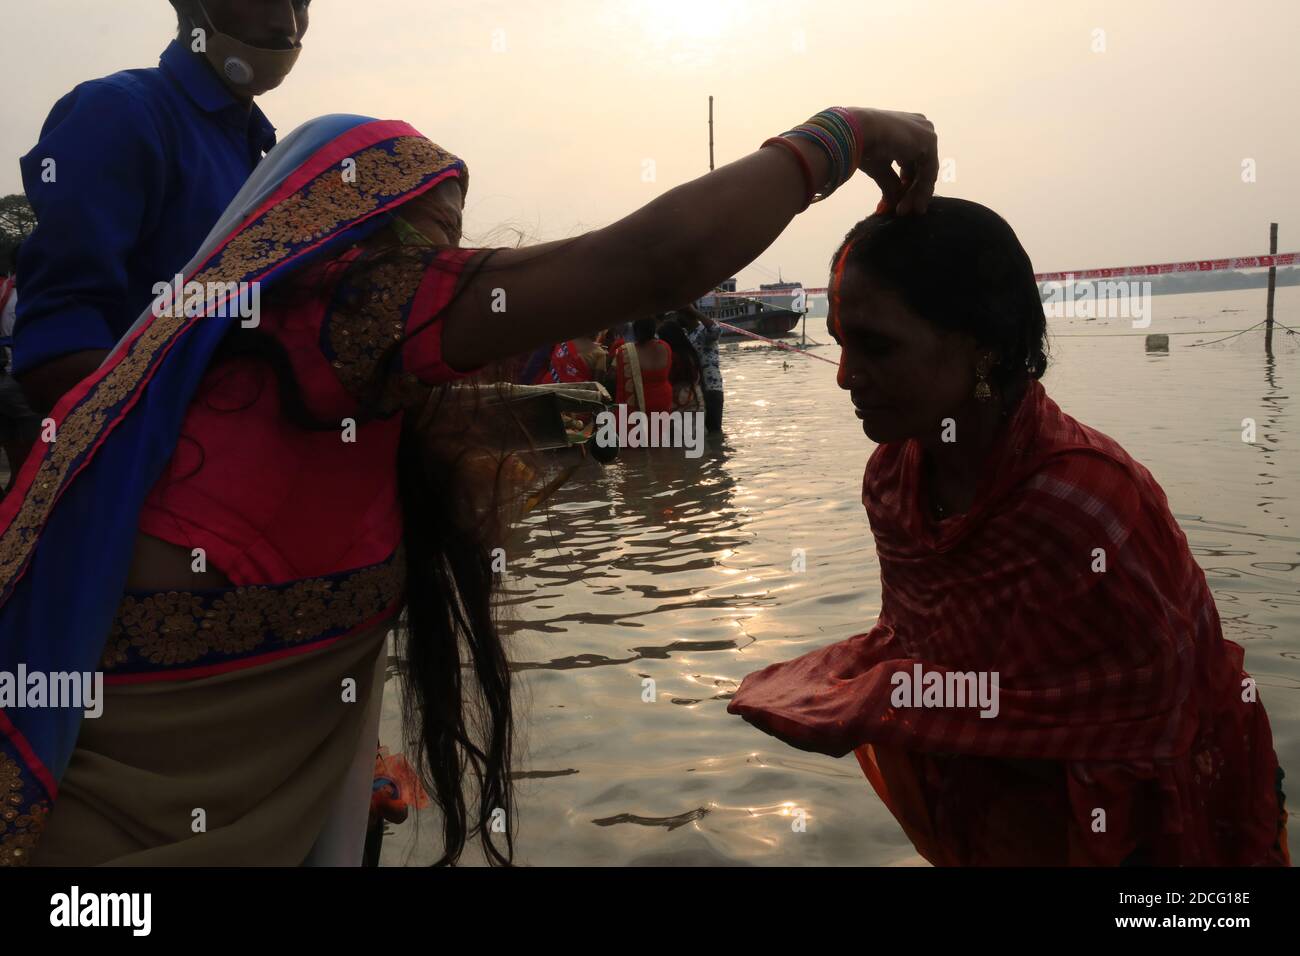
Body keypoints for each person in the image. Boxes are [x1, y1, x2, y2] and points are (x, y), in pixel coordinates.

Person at [0, 106, 938, 867]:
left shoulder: (288, 395)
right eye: (427, 251)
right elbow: (654, 259)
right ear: (332, 247)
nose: (443, 276)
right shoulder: (331, 313)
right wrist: (844, 135)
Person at [727, 198, 1289, 867]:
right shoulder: (892, 480)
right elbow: (922, 645)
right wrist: (842, 683)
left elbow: (1158, 714)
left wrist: (885, 697)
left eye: (877, 346)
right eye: (842, 343)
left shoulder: (1086, 504)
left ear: (982, 345)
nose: (846, 377)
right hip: (985, 813)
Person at [13, 0, 310, 416]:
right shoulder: (120, 112)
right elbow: (57, 356)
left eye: (302, 2)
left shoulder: (259, 149)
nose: (287, 24)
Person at [0, 245, 41, 491]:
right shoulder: (26, 296)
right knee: (40, 451)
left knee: (15, 455)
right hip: (20, 381)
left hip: (4, 381)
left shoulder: (5, 289)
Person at [677, 304, 724, 431]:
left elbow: (717, 330)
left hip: (712, 388)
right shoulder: (687, 336)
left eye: (679, 314)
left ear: (687, 315)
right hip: (696, 392)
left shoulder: (704, 332)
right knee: (700, 434)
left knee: (714, 432)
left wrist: (693, 310)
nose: (677, 317)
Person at [614, 317, 674, 414]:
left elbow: (621, 385)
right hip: (663, 399)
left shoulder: (625, 352)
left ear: (636, 331)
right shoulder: (665, 346)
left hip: (638, 403)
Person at [658, 316, 704, 414]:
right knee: (695, 428)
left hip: (677, 401)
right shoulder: (690, 353)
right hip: (695, 398)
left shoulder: (671, 357)